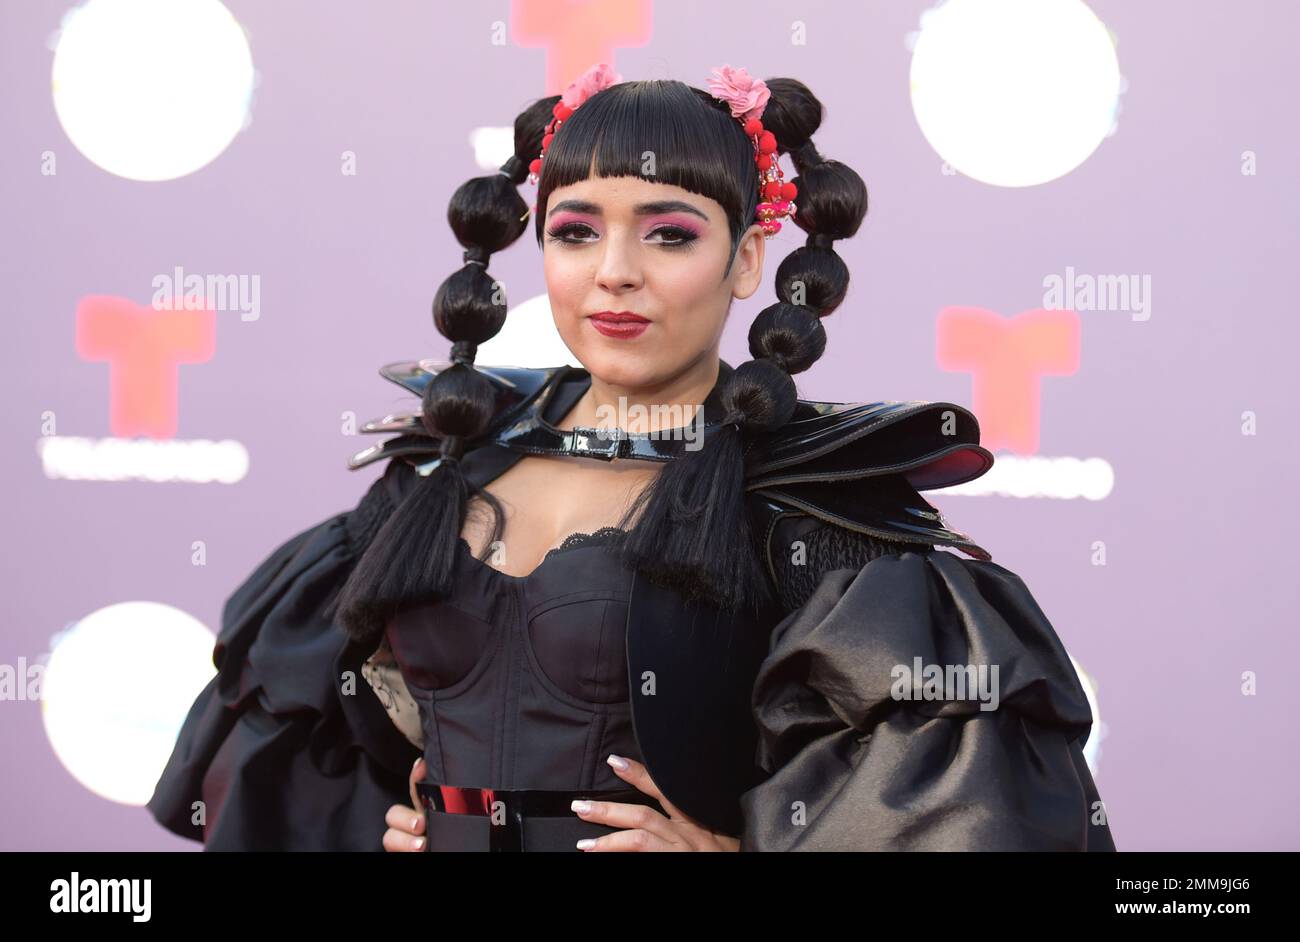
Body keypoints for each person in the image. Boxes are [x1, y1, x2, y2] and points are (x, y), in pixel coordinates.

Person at [147, 63, 1116, 852]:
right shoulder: (445, 464)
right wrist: (400, 824)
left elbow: (935, 805)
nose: (614, 270)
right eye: (574, 231)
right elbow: (310, 733)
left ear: (745, 261)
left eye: (668, 233)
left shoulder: (808, 497)